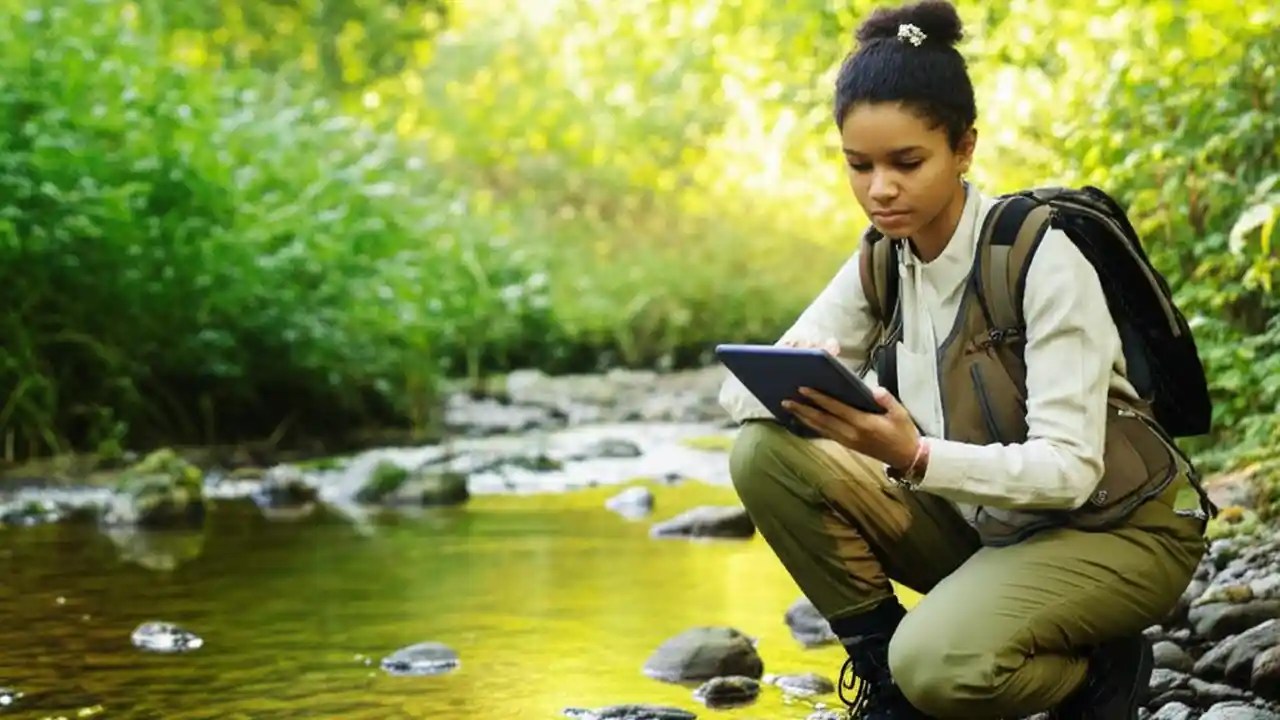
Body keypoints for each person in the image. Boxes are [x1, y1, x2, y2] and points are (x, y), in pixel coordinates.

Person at [718, 2, 1211, 718]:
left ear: (964, 147)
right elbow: (741, 402)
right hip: (996, 526)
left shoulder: (1038, 256)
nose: (879, 188)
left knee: (938, 666)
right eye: (859, 165)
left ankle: (1098, 675)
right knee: (762, 455)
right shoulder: (884, 259)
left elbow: (1072, 471)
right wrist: (803, 375)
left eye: (906, 162)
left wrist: (914, 455)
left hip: (1121, 530)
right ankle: (887, 688)